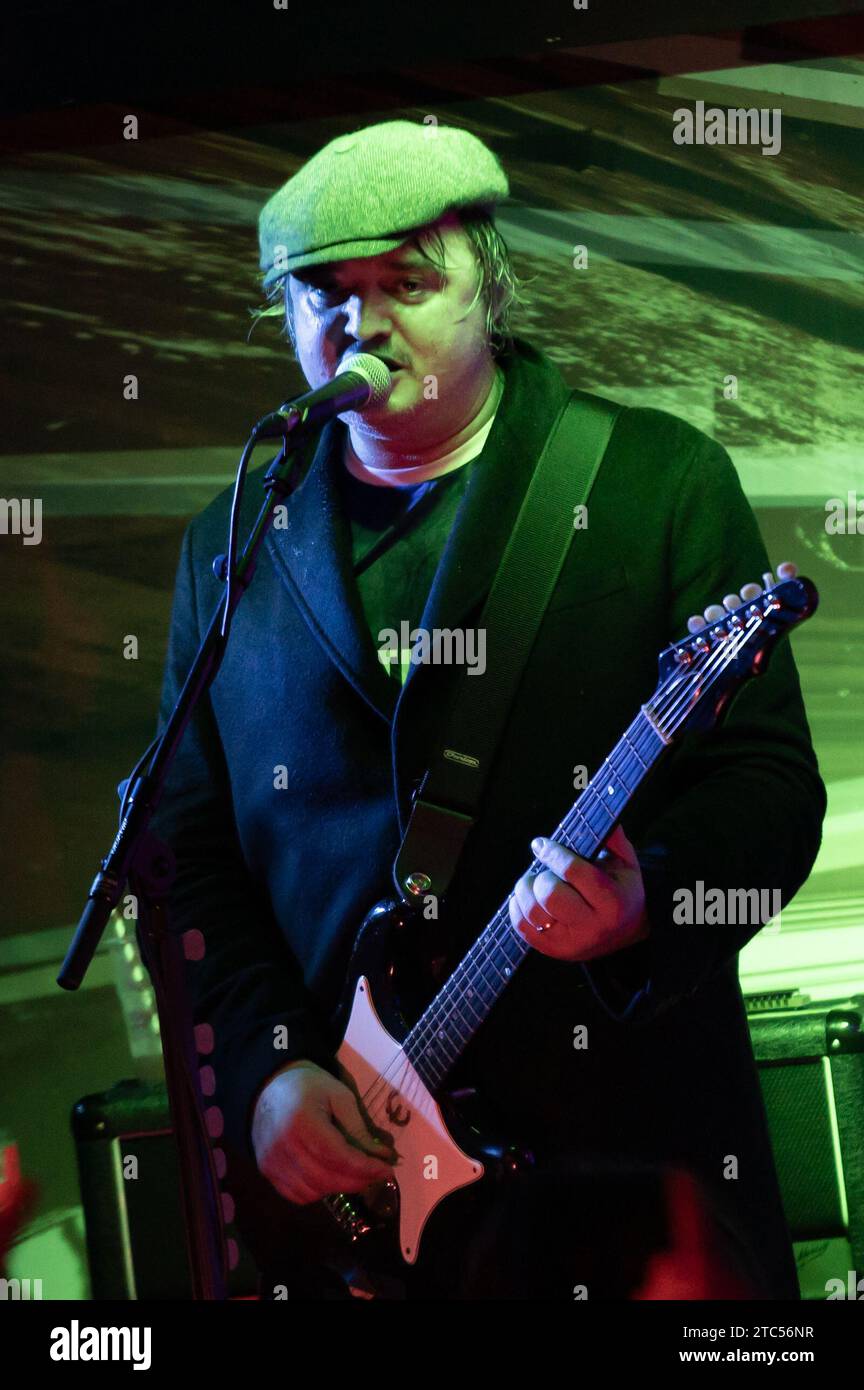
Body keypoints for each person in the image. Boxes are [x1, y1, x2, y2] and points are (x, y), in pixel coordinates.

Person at [151, 119, 826, 1299]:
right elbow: (192, 851)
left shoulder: (651, 481)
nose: (360, 325)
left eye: (406, 284)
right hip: (368, 1205)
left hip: (630, 1189)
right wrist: (266, 1070)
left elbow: (771, 793)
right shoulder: (232, 547)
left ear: (490, 286)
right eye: (323, 294)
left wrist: (644, 902)